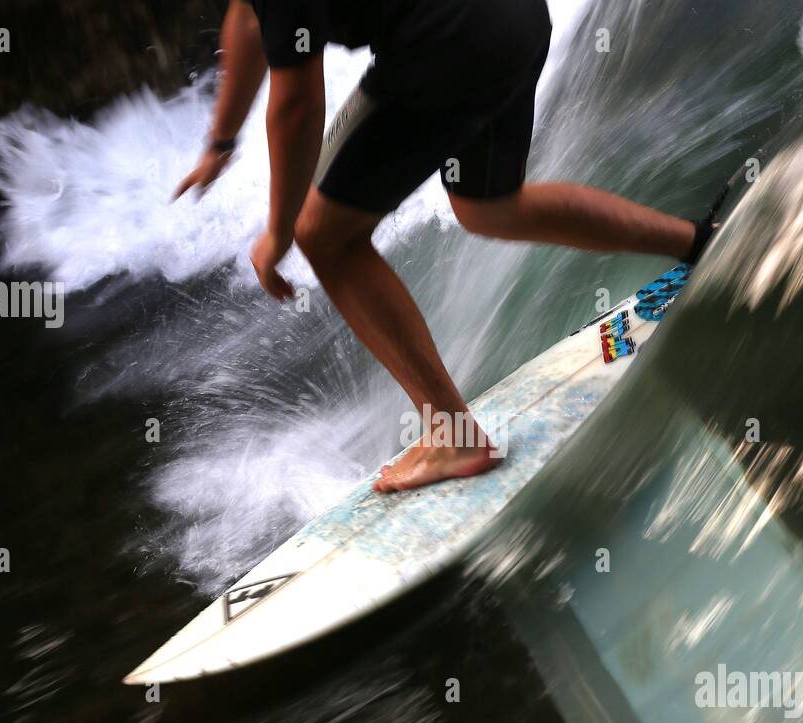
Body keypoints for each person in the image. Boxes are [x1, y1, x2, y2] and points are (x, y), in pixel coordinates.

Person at [174, 0, 717, 493]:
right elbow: (247, 18)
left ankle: (454, 436)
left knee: (324, 237)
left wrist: (279, 231)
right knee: (489, 205)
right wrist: (221, 142)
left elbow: (296, 103)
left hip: (446, 46)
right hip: (514, 20)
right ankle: (695, 242)